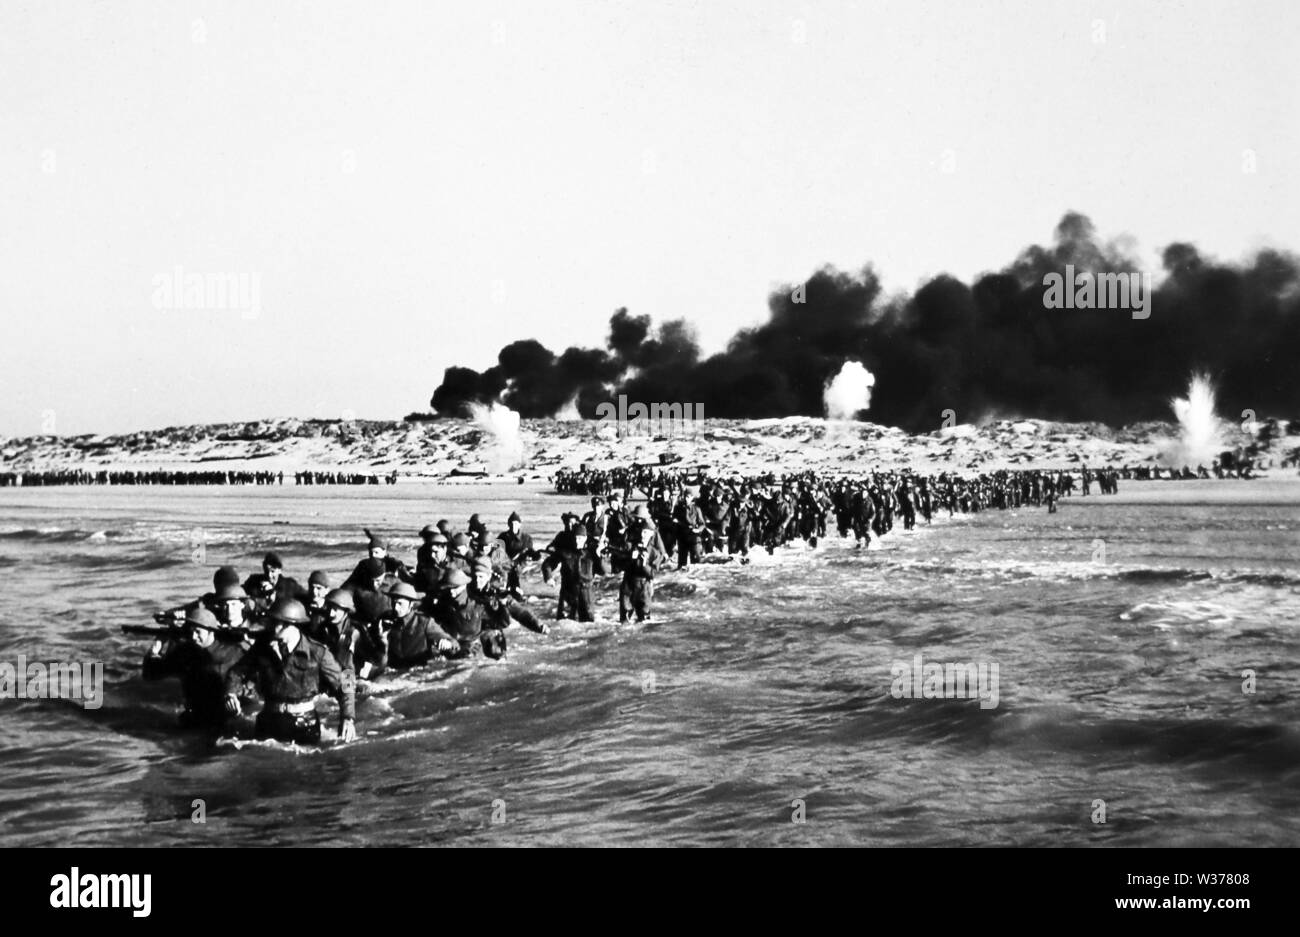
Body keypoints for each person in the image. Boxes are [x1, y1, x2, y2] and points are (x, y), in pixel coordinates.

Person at [223, 598, 356, 745]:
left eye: (276, 622)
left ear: (291, 625)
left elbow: (347, 679)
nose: (271, 626)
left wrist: (348, 718)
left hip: (304, 724)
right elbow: (236, 672)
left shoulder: (317, 652)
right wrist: (231, 693)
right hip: (268, 721)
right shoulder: (262, 648)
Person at [142, 606, 247, 731]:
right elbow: (151, 674)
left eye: (198, 632)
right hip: (194, 718)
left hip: (226, 719)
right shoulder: (184, 653)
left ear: (211, 631)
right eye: (191, 632)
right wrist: (157, 645)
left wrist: (236, 706)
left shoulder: (234, 653)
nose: (193, 637)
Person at [381, 582, 458, 669]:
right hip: (392, 671)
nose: (396, 608)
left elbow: (454, 643)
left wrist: (448, 644)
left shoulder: (424, 623)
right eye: (393, 603)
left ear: (411, 604)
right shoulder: (385, 619)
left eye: (400, 603)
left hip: (418, 672)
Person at [544, 526, 596, 621]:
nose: (577, 541)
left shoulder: (592, 553)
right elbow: (548, 563)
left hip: (586, 593)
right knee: (564, 623)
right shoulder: (565, 552)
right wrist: (548, 577)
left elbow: (604, 570)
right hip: (568, 591)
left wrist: (600, 556)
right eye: (575, 538)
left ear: (585, 539)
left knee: (588, 624)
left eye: (580, 538)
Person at [619, 525, 661, 623]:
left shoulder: (654, 553)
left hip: (644, 587)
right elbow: (619, 565)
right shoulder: (629, 547)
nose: (643, 535)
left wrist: (644, 564)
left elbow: (652, 574)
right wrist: (630, 559)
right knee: (624, 620)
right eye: (642, 532)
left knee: (644, 620)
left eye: (646, 532)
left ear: (651, 534)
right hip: (628, 585)